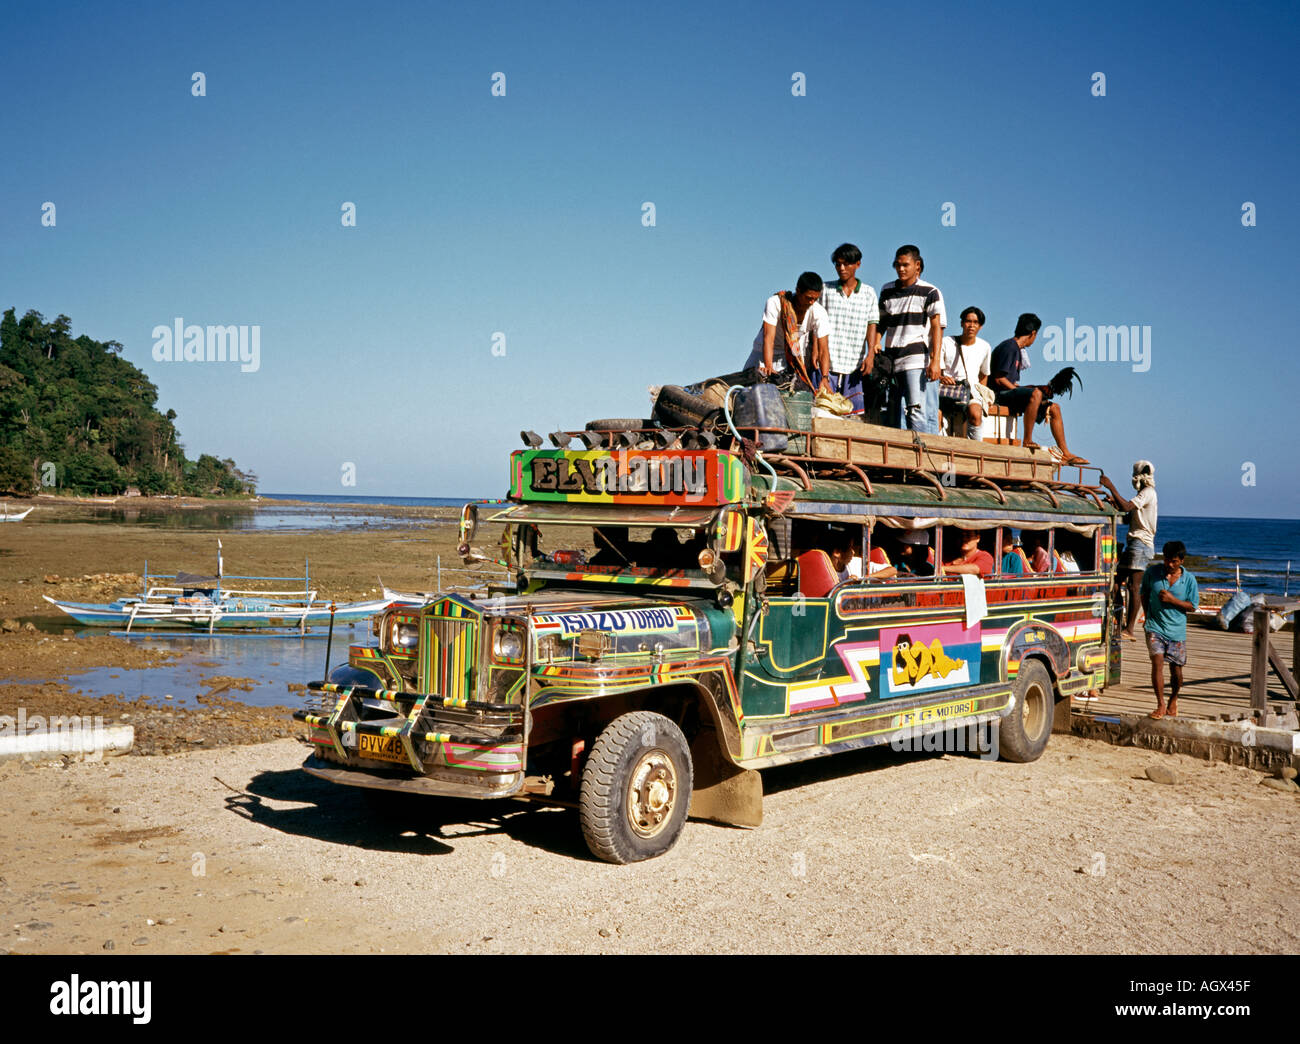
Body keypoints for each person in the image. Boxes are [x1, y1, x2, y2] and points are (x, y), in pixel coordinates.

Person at [990, 314, 1088, 464]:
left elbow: (1009, 381)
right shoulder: (1010, 347)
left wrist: (1021, 389)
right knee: (1036, 393)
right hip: (998, 395)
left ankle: (1065, 453)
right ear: (1033, 333)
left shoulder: (1017, 350)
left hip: (1008, 393)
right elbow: (998, 379)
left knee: (1054, 408)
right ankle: (1027, 439)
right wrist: (1023, 391)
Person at [870, 245, 945, 432]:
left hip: (916, 358)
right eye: (897, 265)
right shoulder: (887, 290)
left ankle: (919, 453)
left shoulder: (930, 291)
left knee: (915, 408)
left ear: (917, 266)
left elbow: (937, 326)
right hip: (891, 358)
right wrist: (875, 343)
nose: (901, 269)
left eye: (905, 265)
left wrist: (935, 361)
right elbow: (881, 322)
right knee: (893, 409)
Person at [817, 244, 880, 415]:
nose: (842, 268)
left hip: (854, 365)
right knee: (824, 411)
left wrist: (870, 355)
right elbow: (815, 323)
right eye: (838, 264)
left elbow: (872, 324)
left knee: (853, 416)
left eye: (846, 264)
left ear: (857, 264)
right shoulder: (825, 290)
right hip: (827, 364)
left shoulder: (869, 293)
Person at [1140, 540, 1199, 719]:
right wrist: (1147, 615)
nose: (1169, 565)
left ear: (1182, 560)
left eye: (1174, 561)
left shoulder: (1189, 580)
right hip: (1154, 627)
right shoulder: (1152, 573)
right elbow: (1144, 593)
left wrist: (1173, 600)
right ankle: (1160, 704)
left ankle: (1173, 699)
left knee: (1176, 671)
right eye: (1166, 560)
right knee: (1157, 663)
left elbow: (1193, 606)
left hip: (1177, 631)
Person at [1100, 461, 1158, 640]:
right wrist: (1115, 502)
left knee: (1134, 587)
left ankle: (1130, 628)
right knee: (1116, 581)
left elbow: (1126, 507)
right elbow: (1128, 514)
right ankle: (1119, 620)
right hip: (1135, 543)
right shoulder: (1142, 495)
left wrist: (1111, 488)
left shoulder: (1147, 493)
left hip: (1140, 544)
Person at [744, 273, 831, 388]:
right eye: (809, 298)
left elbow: (823, 349)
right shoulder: (776, 303)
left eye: (815, 299)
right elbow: (768, 337)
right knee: (749, 392)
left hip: (789, 358)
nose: (812, 302)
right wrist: (768, 366)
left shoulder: (819, 313)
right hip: (762, 355)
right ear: (798, 291)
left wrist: (824, 377)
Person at [938, 306, 993, 439]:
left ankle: (975, 449)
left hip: (971, 391)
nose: (971, 326)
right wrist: (942, 378)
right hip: (947, 391)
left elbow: (984, 375)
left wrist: (984, 394)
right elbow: (937, 370)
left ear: (980, 326)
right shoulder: (946, 342)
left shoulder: (984, 347)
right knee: (936, 415)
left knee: (975, 414)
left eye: (976, 322)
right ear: (962, 323)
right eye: (968, 321)